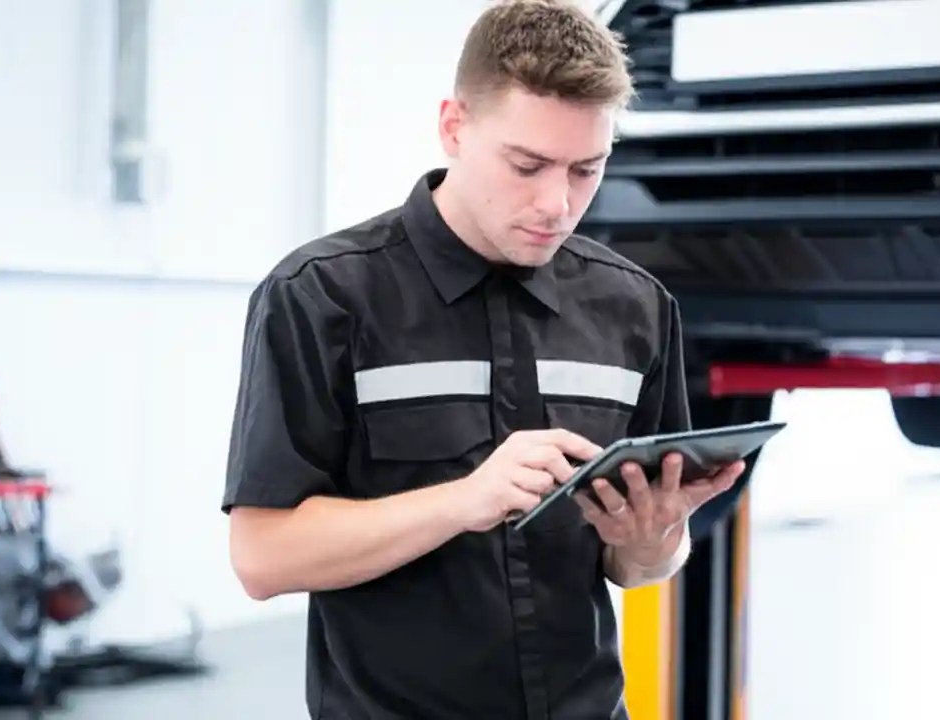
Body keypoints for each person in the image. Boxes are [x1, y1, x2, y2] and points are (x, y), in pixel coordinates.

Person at [221, 1, 745, 717]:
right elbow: (261, 557)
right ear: (454, 127)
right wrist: (464, 501)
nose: (557, 204)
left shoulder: (637, 309)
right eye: (526, 165)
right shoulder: (323, 297)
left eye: (586, 170)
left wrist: (650, 540)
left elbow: (639, 567)